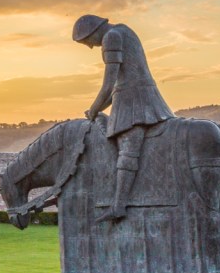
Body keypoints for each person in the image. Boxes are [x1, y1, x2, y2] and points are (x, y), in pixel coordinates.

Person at [73, 15, 174, 222]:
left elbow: (109, 83)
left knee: (128, 148)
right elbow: (119, 85)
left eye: (87, 42)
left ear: (93, 32)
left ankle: (118, 205)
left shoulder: (111, 37)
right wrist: (98, 108)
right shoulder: (123, 30)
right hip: (134, 96)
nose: (90, 47)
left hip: (135, 101)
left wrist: (94, 108)